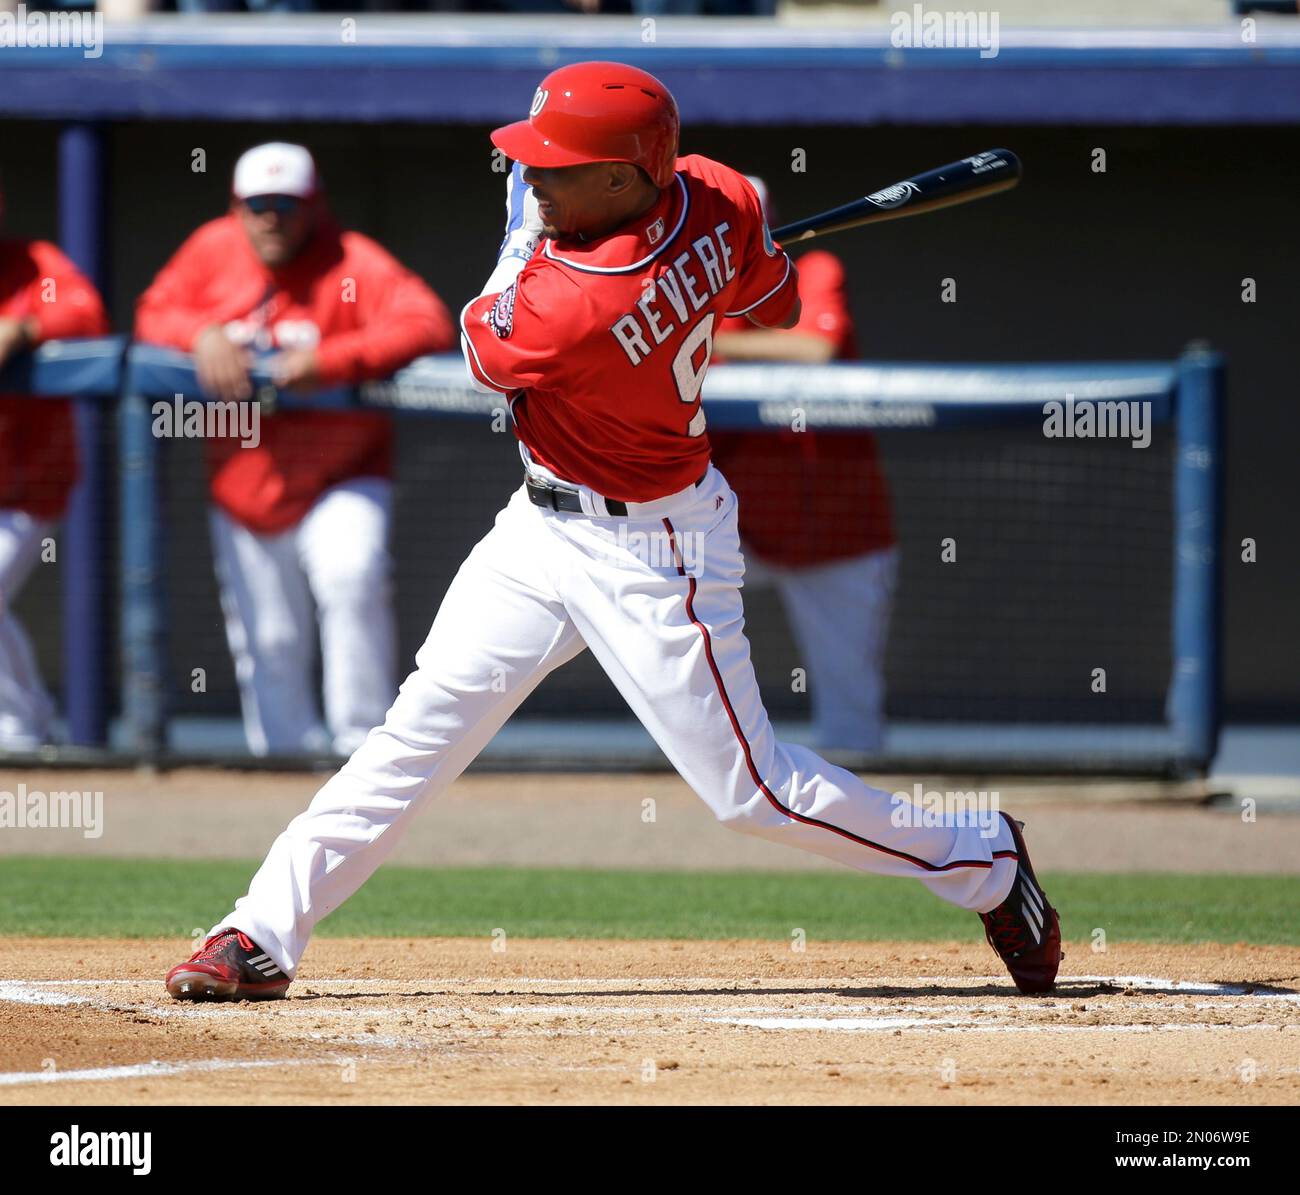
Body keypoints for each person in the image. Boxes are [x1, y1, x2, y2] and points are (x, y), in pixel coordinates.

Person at [165, 64, 1060, 1002]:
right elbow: (778, 302)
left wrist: (536, 243)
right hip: (540, 527)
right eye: (535, 166)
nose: (536, 181)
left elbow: (481, 346)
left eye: (559, 168)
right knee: (416, 732)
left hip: (656, 552)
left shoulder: (573, 300)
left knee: (750, 792)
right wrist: (713, 264)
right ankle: (259, 929)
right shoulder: (715, 192)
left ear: (629, 176)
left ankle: (984, 856)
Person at [136, 143, 455, 757]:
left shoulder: (351, 258)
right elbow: (153, 311)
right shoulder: (212, 250)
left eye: (287, 205)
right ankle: (283, 761)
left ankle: (362, 749)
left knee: (351, 576)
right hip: (243, 480)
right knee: (270, 636)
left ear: (314, 206)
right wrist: (198, 334)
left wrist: (332, 361)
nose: (271, 219)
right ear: (237, 206)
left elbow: (427, 321)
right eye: (258, 206)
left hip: (342, 472)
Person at [708, 176, 898, 753]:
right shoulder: (686, 299)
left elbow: (815, 348)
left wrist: (701, 340)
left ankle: (872, 829)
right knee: (657, 634)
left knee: (851, 715)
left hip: (836, 530)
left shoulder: (812, 271)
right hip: (734, 530)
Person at [0, 185, 111, 750]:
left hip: (24, 486)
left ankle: (17, 732)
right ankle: (30, 719)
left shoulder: (34, 265)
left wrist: (23, 328)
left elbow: (85, 310)